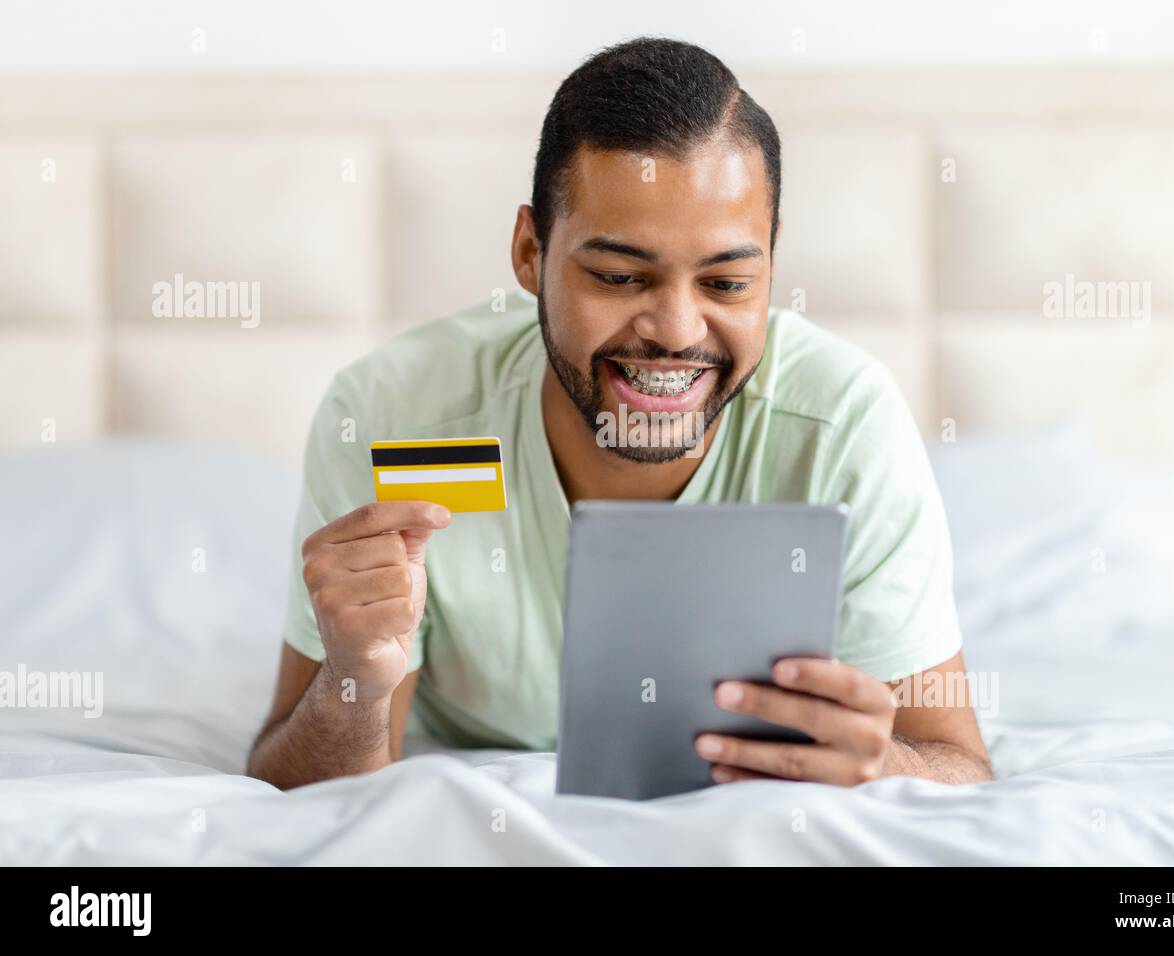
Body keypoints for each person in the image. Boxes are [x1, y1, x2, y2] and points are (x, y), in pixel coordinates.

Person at [248, 36, 992, 790]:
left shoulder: (845, 429)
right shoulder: (394, 417)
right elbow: (299, 788)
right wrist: (354, 687)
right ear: (530, 253)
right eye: (618, 275)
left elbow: (959, 763)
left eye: (727, 284)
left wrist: (883, 765)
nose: (675, 330)